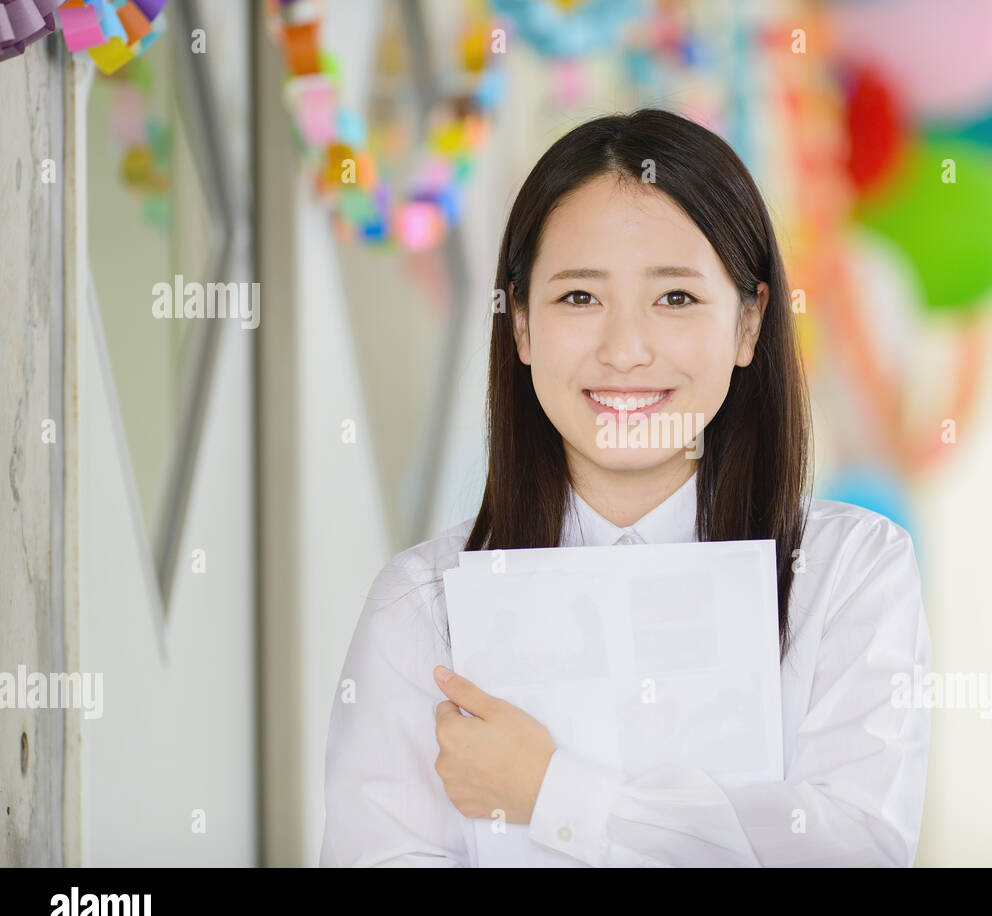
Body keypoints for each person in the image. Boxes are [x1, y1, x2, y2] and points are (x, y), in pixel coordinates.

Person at [320, 108, 931, 867]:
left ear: (749, 322)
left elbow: (855, 851)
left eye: (675, 298)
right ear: (519, 326)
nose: (626, 349)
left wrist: (552, 793)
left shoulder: (847, 575)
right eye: (580, 297)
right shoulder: (421, 608)